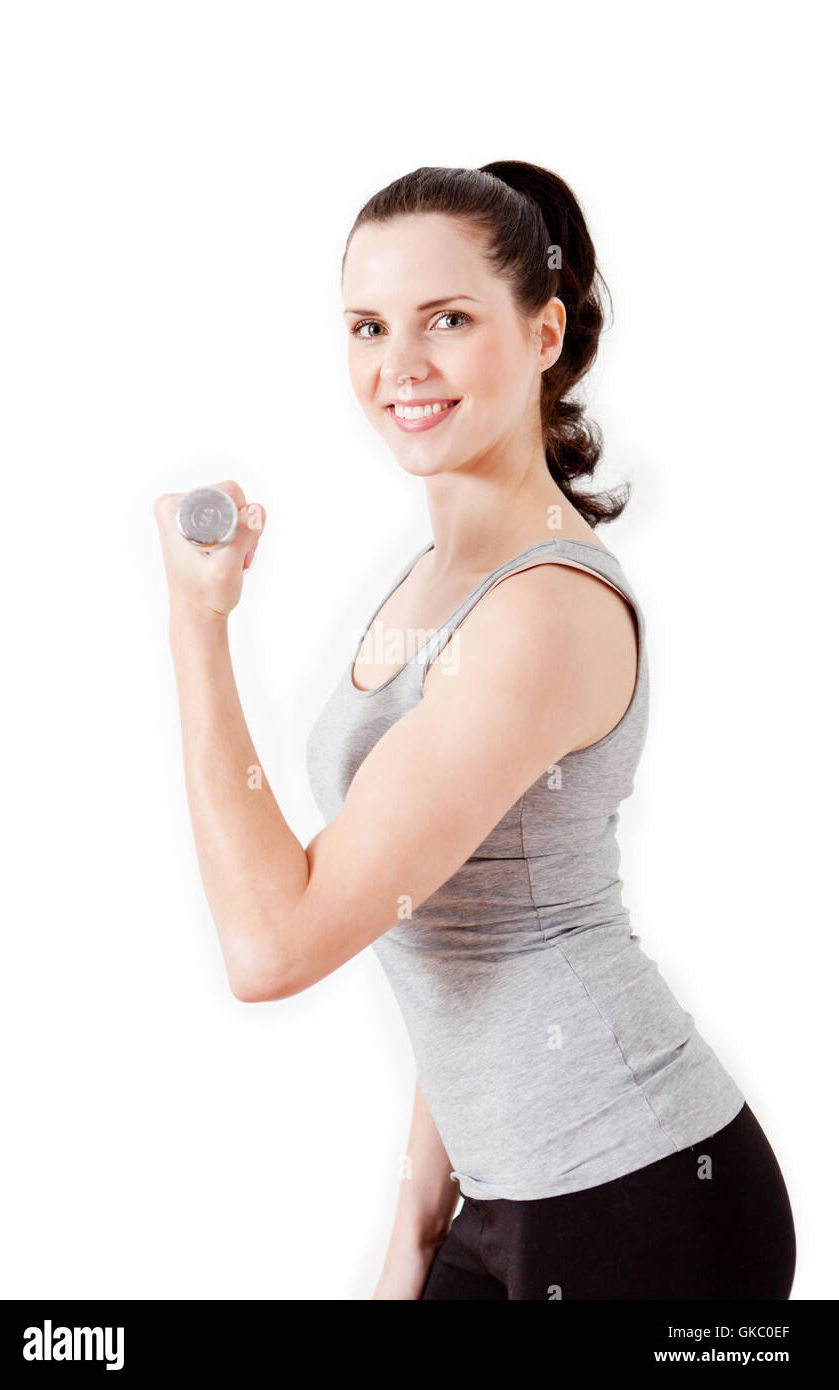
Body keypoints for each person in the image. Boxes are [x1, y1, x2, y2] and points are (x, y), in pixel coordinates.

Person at [154, 161, 796, 1300]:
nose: (397, 366)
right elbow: (444, 918)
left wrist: (197, 628)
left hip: (636, 1198)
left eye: (446, 320)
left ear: (543, 332)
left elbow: (271, 946)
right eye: (366, 325)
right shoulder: (437, 578)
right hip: (499, 1195)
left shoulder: (539, 613)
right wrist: (416, 1219)